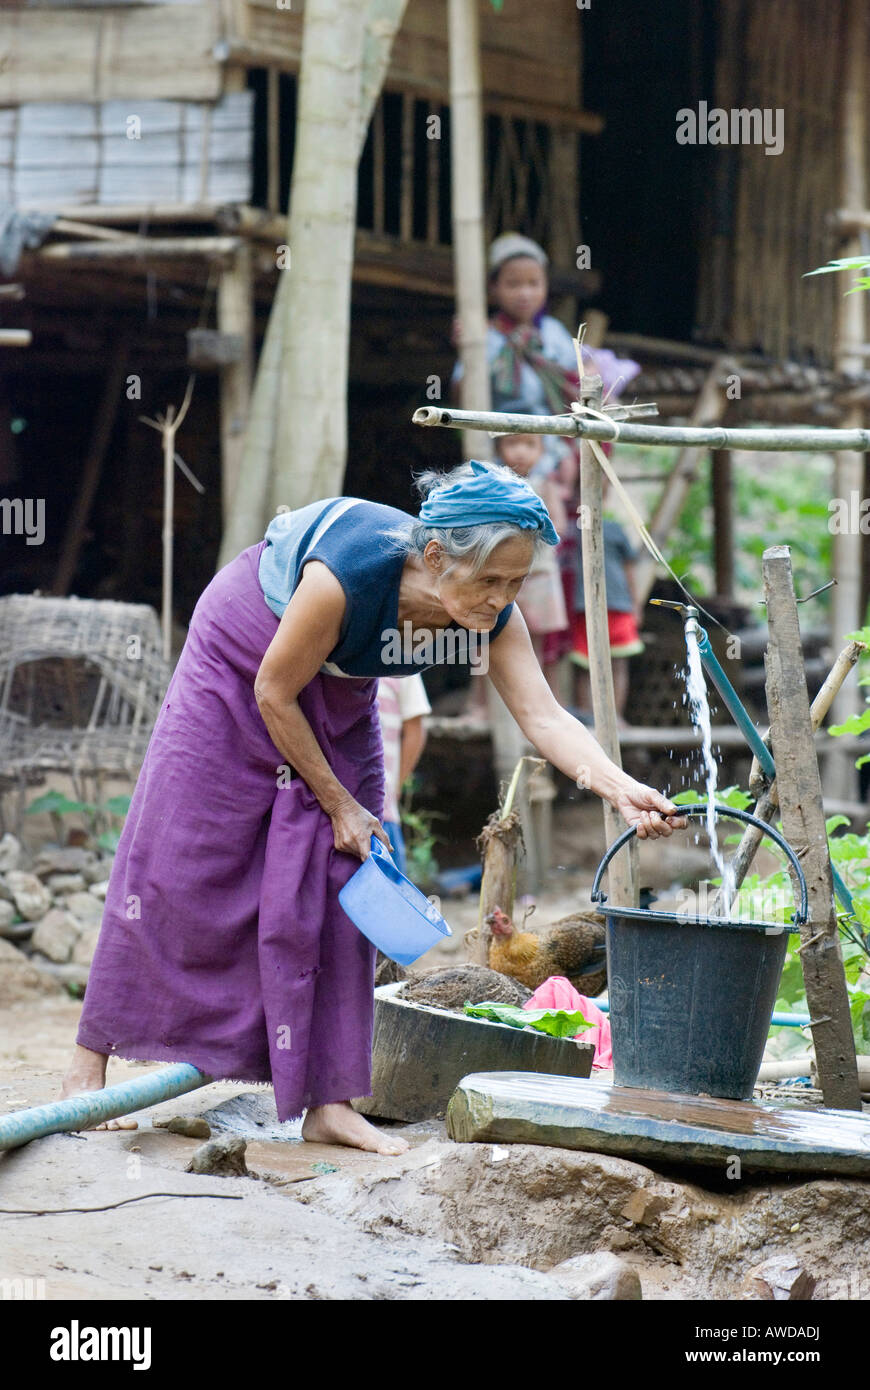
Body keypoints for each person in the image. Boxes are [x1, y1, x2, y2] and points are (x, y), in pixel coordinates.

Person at [60, 459, 685, 1156]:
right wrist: (339, 802)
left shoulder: (491, 612)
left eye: (516, 582)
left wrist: (618, 786)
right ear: (437, 556)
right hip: (248, 655)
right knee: (180, 850)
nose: (500, 599)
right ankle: (91, 1062)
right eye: (489, 581)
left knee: (348, 875)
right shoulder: (344, 578)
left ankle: (329, 1101)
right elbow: (273, 691)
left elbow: (543, 715)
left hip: (341, 686)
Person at [493, 429, 567, 695]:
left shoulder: (544, 485)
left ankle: (534, 699)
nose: (521, 451)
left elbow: (558, 525)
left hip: (538, 573)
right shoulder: (494, 485)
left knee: (533, 642)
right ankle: (485, 706)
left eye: (529, 444)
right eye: (512, 443)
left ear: (541, 451)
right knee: (489, 639)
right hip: (499, 577)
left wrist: (531, 535)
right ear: (499, 447)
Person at [573, 475, 645, 726]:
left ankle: (615, 716)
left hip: (618, 604)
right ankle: (588, 717)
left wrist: (635, 605)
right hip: (585, 607)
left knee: (619, 663)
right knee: (585, 664)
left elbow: (629, 570)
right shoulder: (573, 530)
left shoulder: (614, 530)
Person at [376, 673, 431, 875]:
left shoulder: (402, 657)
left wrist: (395, 785)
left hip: (383, 808)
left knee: (390, 892)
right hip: (335, 810)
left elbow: (415, 729)